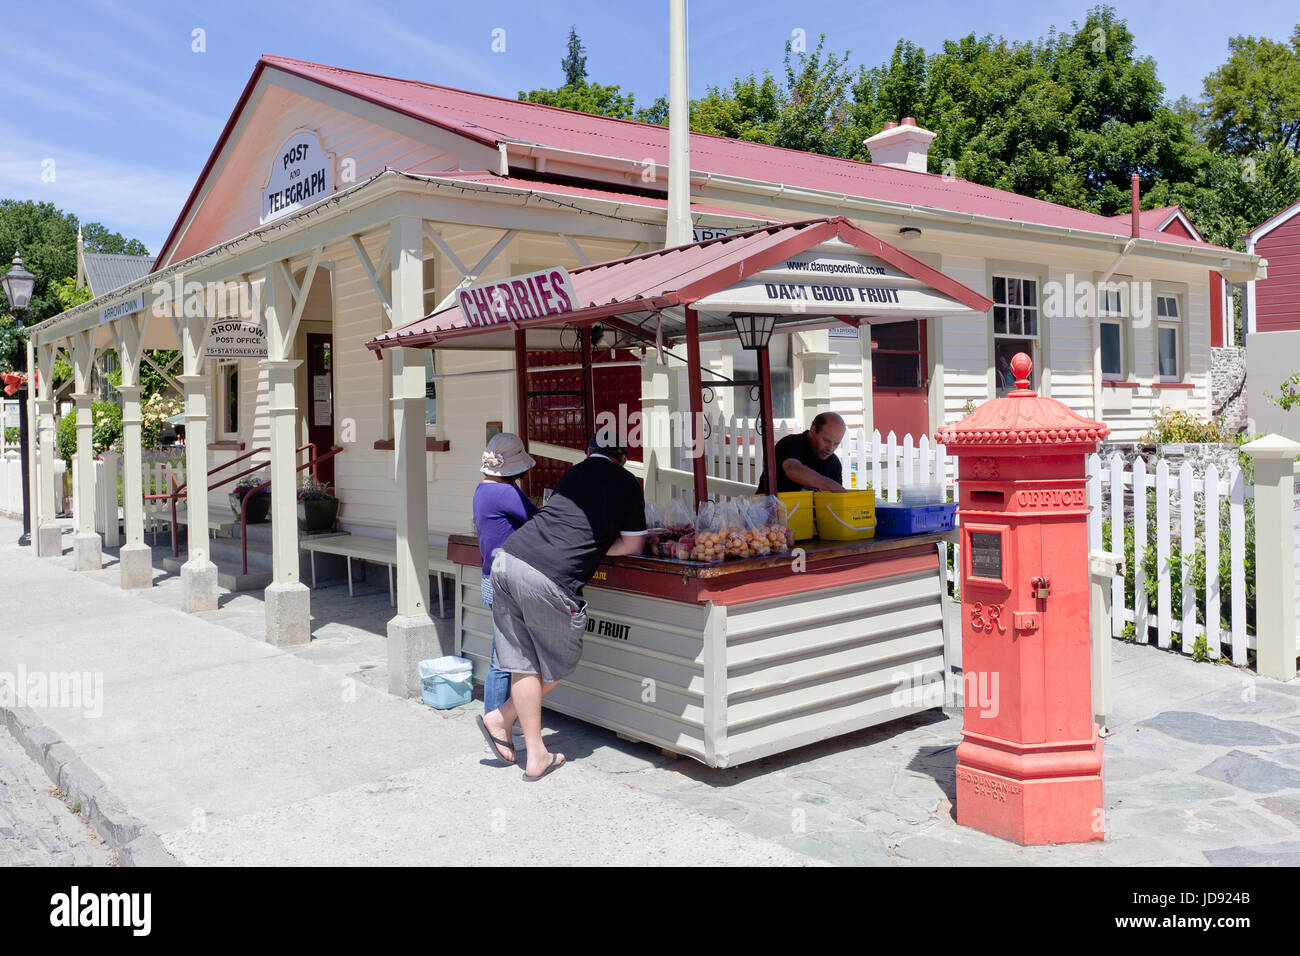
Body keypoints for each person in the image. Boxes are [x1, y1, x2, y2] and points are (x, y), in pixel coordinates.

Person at [474, 432, 647, 780]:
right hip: (547, 576)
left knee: (522, 662)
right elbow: (633, 546)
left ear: (589, 451)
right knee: (558, 662)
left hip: (507, 562)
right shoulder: (628, 482)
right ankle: (502, 717)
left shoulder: (572, 473)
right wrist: (598, 548)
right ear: (624, 458)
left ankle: (534, 754)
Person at [472, 432, 539, 756]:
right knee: (503, 659)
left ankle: (499, 723)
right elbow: (539, 523)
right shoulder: (505, 493)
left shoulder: (483, 489)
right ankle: (497, 726)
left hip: (490, 578)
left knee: (502, 654)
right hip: (506, 583)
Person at [755, 411, 848, 494]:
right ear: (813, 430)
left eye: (836, 443)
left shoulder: (834, 463)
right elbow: (793, 470)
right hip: (769, 511)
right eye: (826, 440)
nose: (830, 448)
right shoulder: (791, 443)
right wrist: (831, 485)